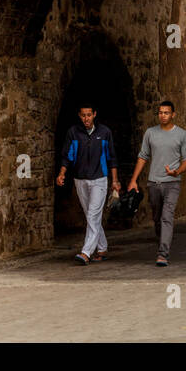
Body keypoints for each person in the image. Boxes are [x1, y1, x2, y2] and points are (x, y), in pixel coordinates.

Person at [127, 100, 186, 267]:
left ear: (173, 114)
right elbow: (143, 157)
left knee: (167, 216)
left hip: (172, 183)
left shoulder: (182, 134)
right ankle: (162, 238)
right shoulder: (150, 133)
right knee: (157, 217)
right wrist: (134, 180)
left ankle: (163, 254)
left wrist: (177, 172)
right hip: (153, 183)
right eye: (160, 112)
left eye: (166, 112)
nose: (162, 115)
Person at [56, 104, 119, 265]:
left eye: (89, 115)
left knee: (92, 215)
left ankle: (86, 252)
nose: (86, 119)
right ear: (79, 115)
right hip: (80, 179)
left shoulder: (104, 133)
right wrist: (62, 173)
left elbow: (112, 158)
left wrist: (115, 180)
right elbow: (67, 155)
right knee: (91, 216)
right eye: (83, 115)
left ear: (94, 115)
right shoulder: (73, 133)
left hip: (100, 179)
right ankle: (102, 248)